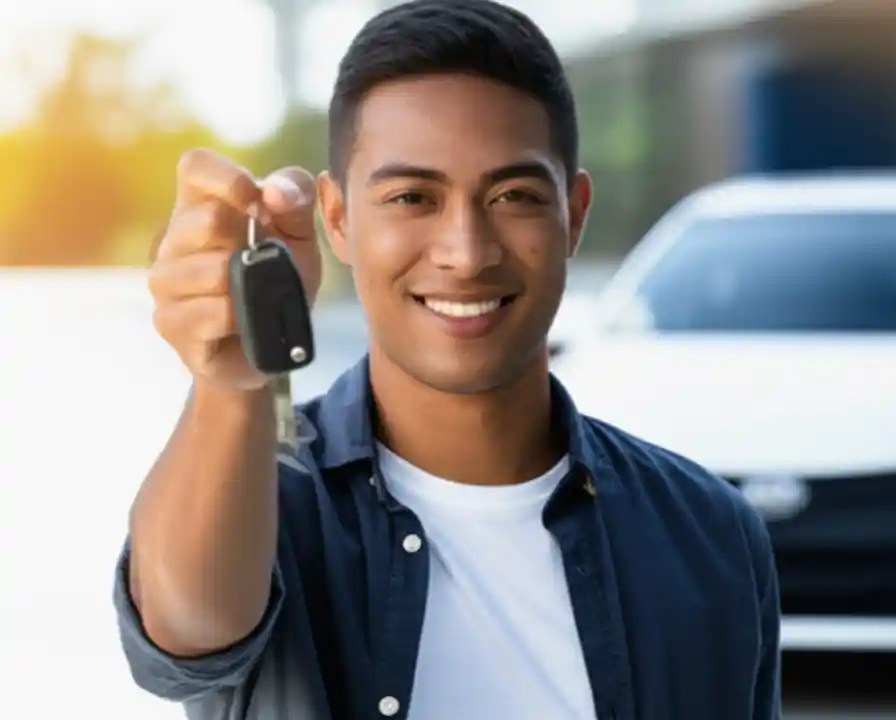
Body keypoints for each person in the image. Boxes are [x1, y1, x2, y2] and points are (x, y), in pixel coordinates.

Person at [114, 1, 781, 718]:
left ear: (574, 214)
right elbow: (185, 634)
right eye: (411, 197)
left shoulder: (709, 533)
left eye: (513, 195)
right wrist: (233, 381)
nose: (466, 252)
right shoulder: (259, 499)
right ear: (336, 218)